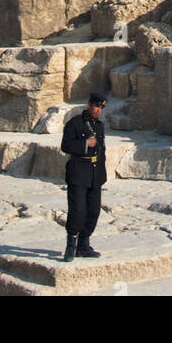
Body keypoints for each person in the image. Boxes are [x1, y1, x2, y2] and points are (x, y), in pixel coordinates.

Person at [61, 91, 107, 261]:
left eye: (101, 108)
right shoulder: (75, 123)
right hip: (78, 172)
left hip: (95, 174)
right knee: (78, 211)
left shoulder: (99, 126)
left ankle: (83, 245)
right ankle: (71, 245)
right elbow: (65, 145)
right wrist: (85, 144)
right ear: (89, 105)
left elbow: (102, 150)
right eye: (96, 106)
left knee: (93, 211)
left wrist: (102, 174)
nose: (98, 110)